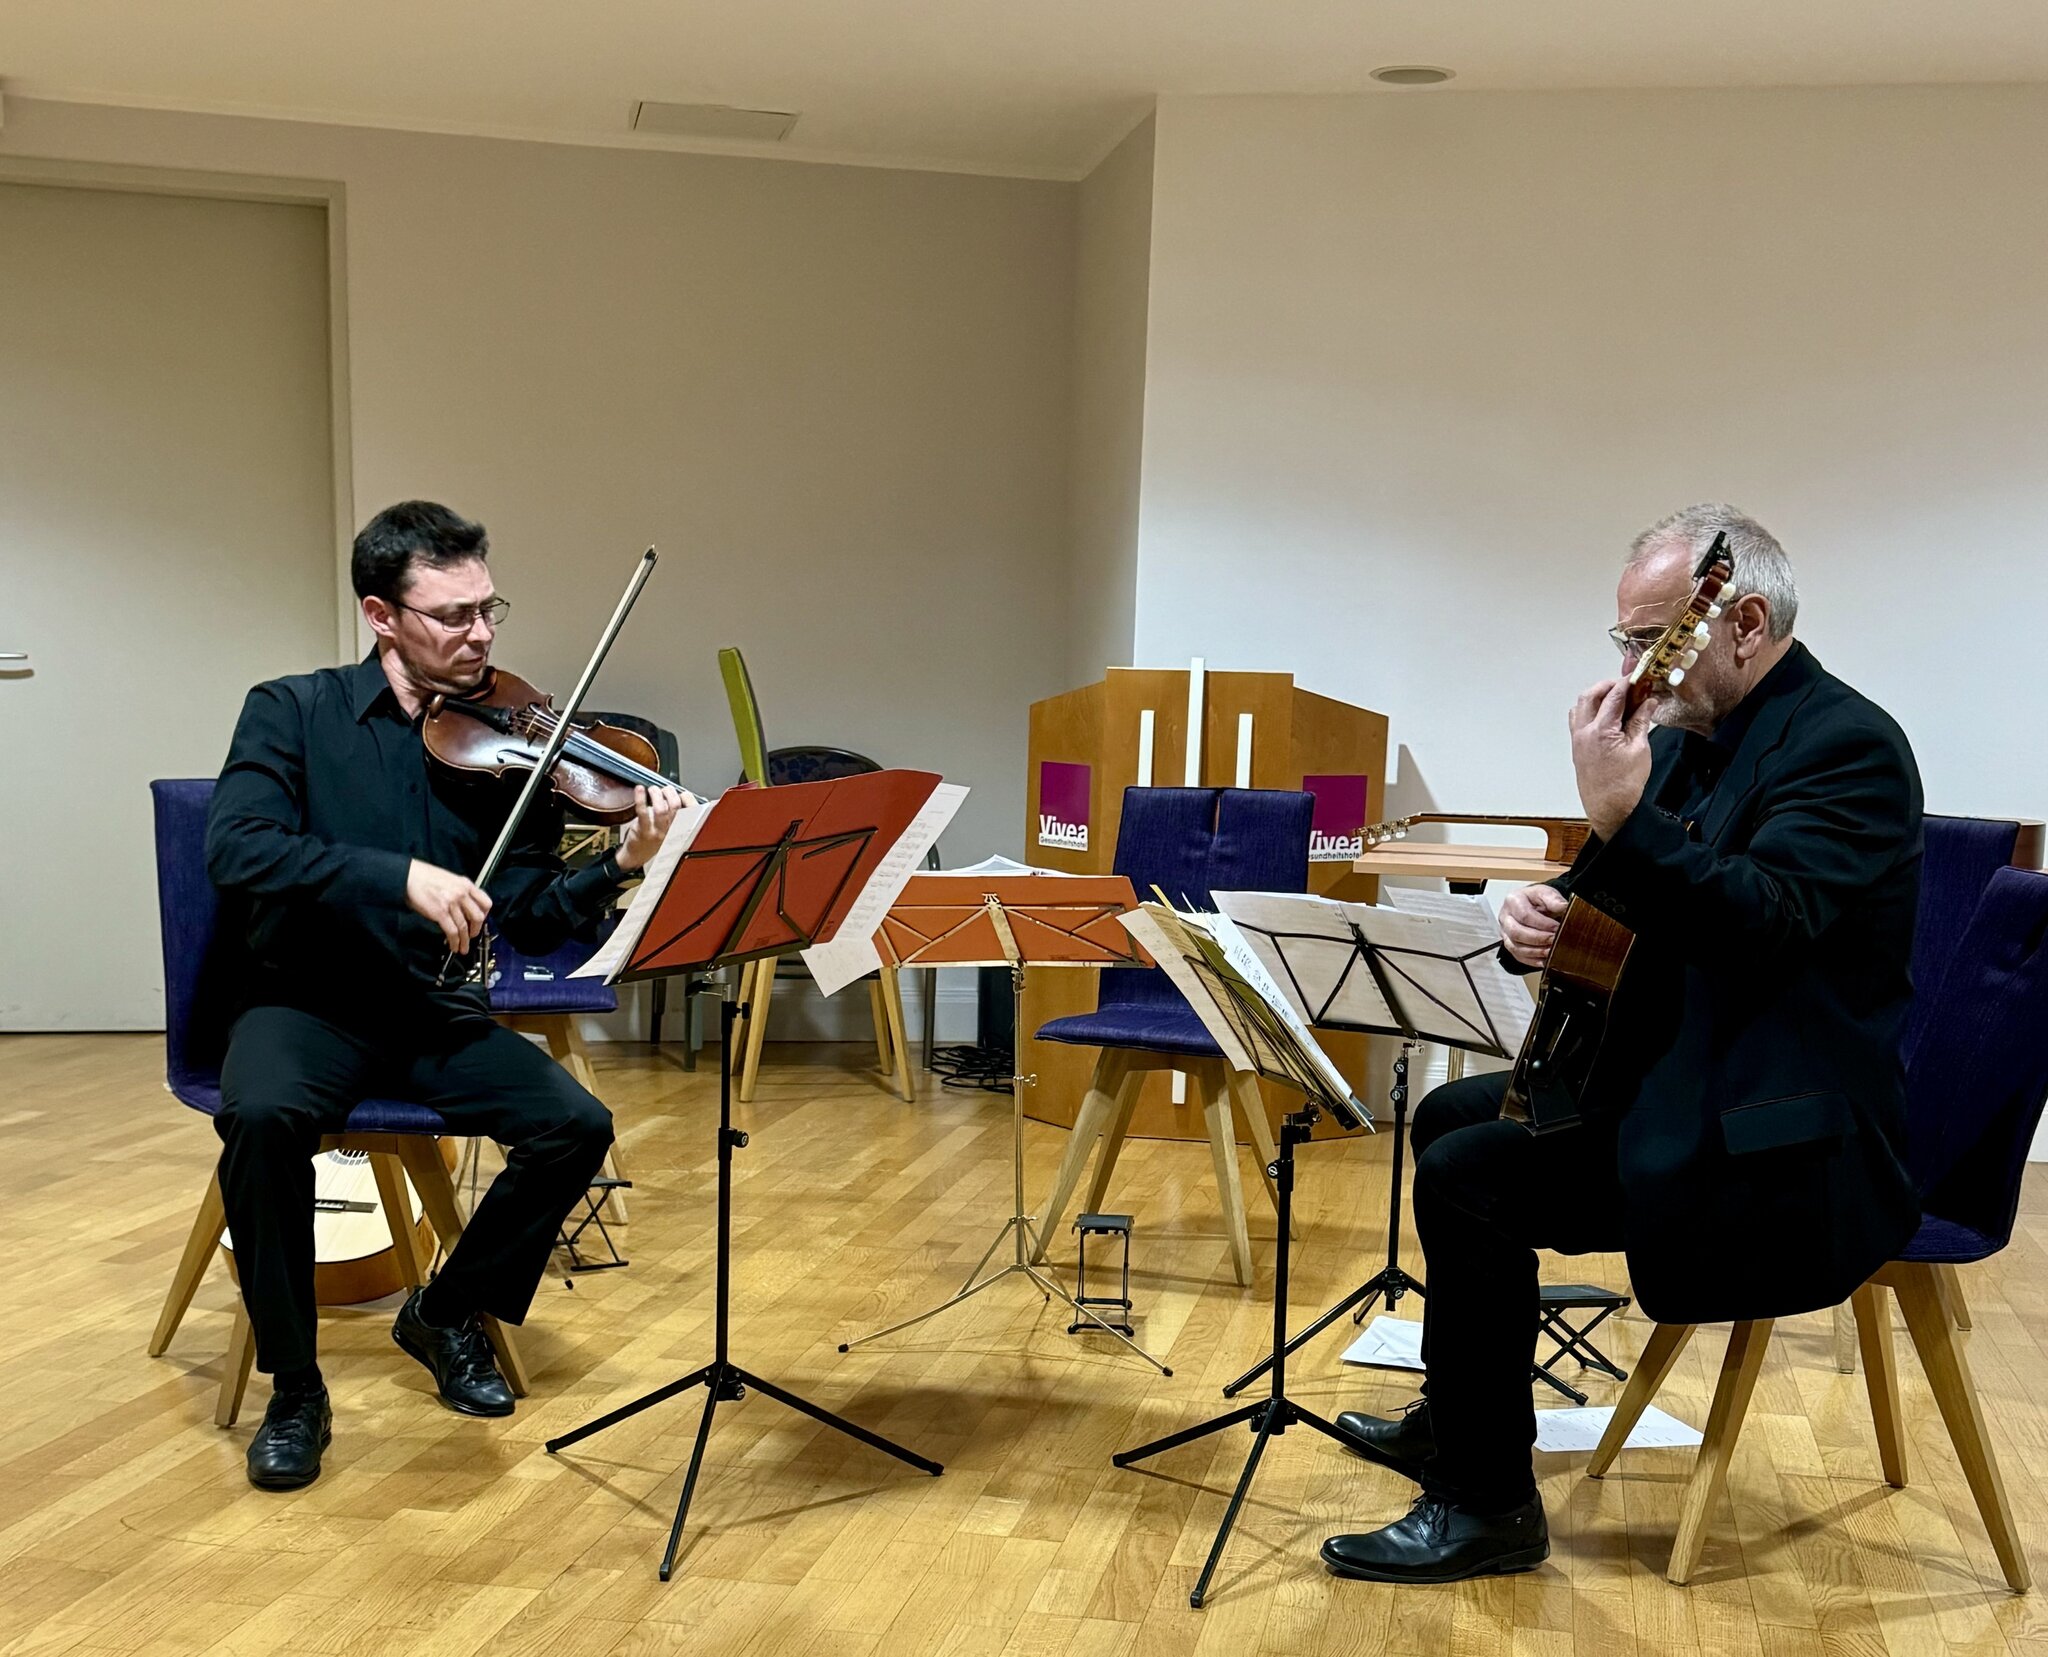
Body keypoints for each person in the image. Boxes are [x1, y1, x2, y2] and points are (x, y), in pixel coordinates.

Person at [1321, 503, 1923, 1583]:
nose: (1634, 668)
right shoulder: (1699, 741)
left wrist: (1615, 820)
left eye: (1649, 640)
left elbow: (1763, 921)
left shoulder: (1848, 747)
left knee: (1470, 1174)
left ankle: (1486, 1503)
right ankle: (1460, 1415)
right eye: (1625, 641)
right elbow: (1624, 887)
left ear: (1740, 620)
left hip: (1773, 1132)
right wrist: (1537, 917)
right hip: (1681, 1078)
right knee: (1455, 1113)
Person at [206, 500, 686, 1491]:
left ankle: (445, 1310)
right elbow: (236, 846)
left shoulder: (509, 746)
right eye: (452, 615)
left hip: (431, 1009)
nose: (481, 636)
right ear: (381, 614)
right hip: (303, 1003)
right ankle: (294, 1385)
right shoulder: (290, 710)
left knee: (573, 1123)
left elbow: (537, 918)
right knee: (259, 1115)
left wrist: (620, 865)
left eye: (487, 609)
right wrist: (398, 875)